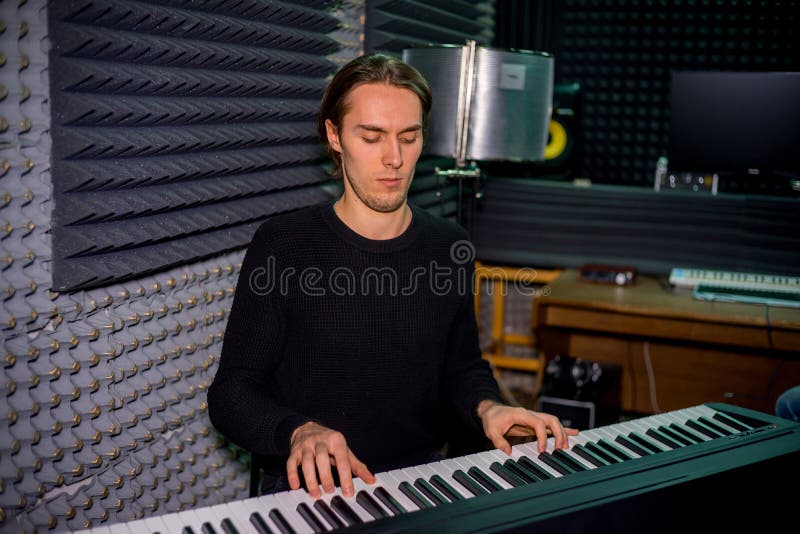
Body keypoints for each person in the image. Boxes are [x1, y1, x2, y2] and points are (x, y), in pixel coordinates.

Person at [207, 52, 577, 500]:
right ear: (335, 135)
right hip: (310, 490)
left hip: (421, 484)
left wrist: (490, 408)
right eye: (372, 136)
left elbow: (461, 368)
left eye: (409, 136)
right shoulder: (285, 246)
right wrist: (298, 432)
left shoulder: (448, 245)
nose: (394, 158)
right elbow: (232, 392)